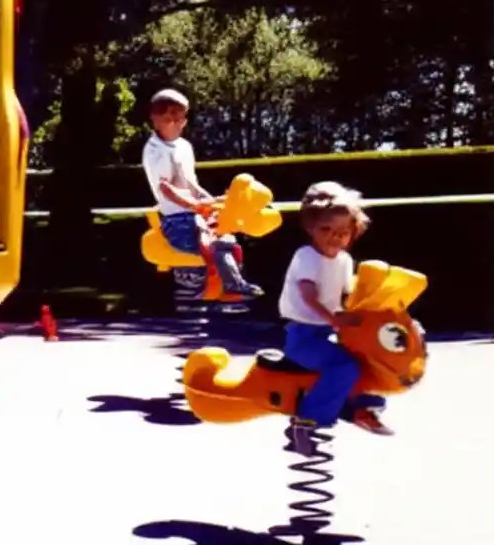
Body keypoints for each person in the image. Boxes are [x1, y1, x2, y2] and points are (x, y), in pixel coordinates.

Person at [280, 181, 393, 454]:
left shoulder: (344, 260)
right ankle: (308, 421)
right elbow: (308, 295)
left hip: (327, 329)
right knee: (342, 367)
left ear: (354, 232)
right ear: (311, 228)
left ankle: (362, 407)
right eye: (326, 229)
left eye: (343, 232)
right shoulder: (307, 256)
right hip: (302, 334)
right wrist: (334, 318)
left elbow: (350, 295)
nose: (335, 237)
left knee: (367, 357)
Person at [141, 88, 264, 299]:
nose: (177, 123)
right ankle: (230, 284)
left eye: (181, 117)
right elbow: (166, 188)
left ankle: (222, 284)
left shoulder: (184, 147)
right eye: (169, 117)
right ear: (155, 119)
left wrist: (211, 201)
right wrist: (193, 205)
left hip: (195, 214)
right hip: (177, 219)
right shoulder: (155, 151)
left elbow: (191, 182)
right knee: (216, 242)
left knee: (227, 235)